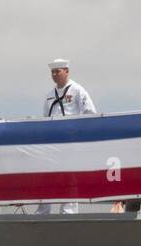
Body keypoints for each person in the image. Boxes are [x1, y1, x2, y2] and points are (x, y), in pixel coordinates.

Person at [39, 58, 98, 215]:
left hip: (71, 140)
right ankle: (43, 210)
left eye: (58, 71)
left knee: (69, 176)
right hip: (53, 141)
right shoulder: (49, 95)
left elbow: (90, 113)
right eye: (52, 72)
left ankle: (68, 210)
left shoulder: (77, 90)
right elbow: (45, 118)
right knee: (48, 176)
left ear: (67, 71)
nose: (54, 75)